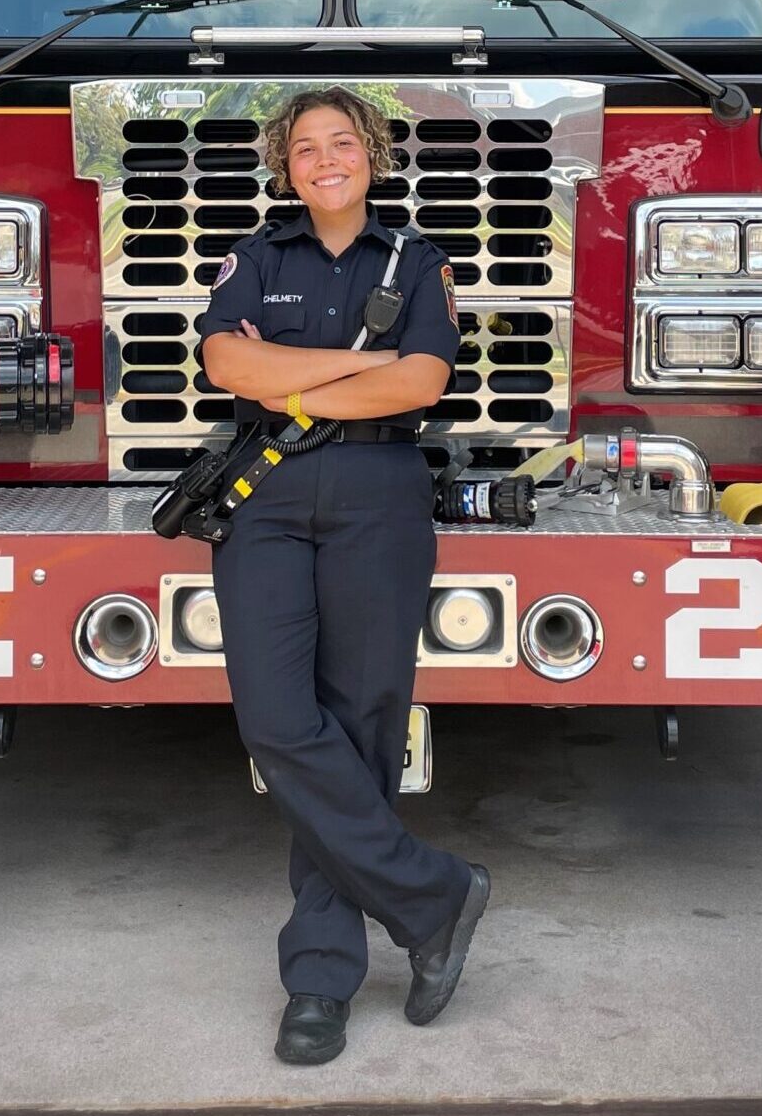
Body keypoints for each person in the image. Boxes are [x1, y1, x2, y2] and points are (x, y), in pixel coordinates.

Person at [199, 86, 490, 1066]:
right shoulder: (258, 255)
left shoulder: (418, 260)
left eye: (342, 141)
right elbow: (222, 364)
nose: (325, 159)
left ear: (372, 153)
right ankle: (432, 893)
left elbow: (420, 381)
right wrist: (328, 372)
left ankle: (320, 977)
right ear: (286, 165)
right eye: (305, 146)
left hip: (379, 488)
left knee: (363, 726)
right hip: (267, 493)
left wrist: (290, 370)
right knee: (278, 718)